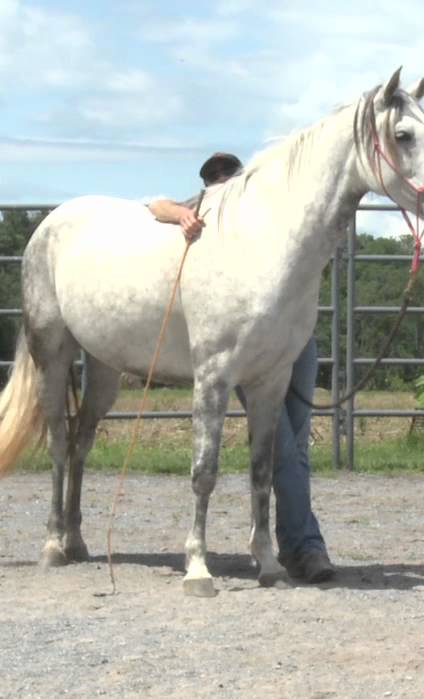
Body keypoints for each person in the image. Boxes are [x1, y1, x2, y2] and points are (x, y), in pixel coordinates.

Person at [147, 152, 335, 583]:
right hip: (249, 344)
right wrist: (183, 215)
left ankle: (294, 543)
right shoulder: (207, 207)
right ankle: (305, 547)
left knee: (298, 448)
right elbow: (155, 207)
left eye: (228, 172)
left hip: (296, 338)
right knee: (283, 449)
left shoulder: (262, 210)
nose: (221, 178)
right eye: (214, 175)